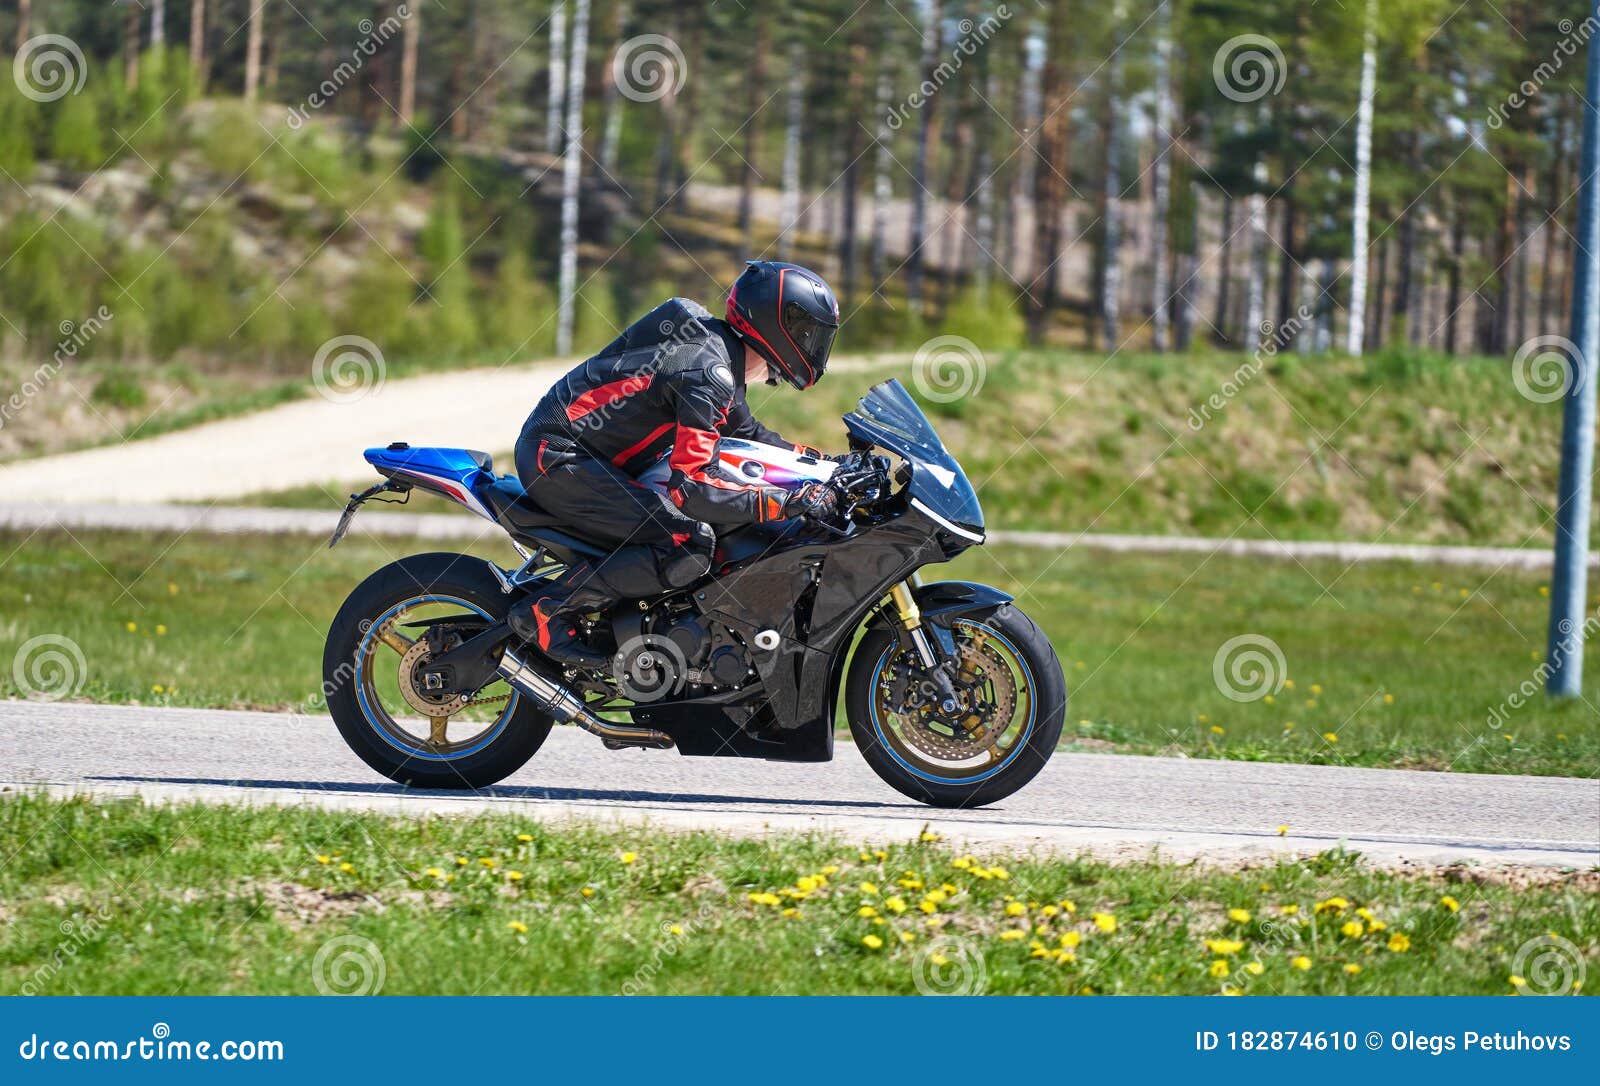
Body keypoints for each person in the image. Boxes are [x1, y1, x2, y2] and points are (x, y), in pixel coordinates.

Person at [507, 261, 842, 667]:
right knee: (686, 541)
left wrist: (830, 468)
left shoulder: (718, 357)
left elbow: (751, 435)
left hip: (589, 458)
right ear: (777, 325)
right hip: (559, 457)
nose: (813, 344)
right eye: (808, 332)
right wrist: (781, 502)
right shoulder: (707, 371)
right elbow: (691, 487)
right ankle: (547, 611)